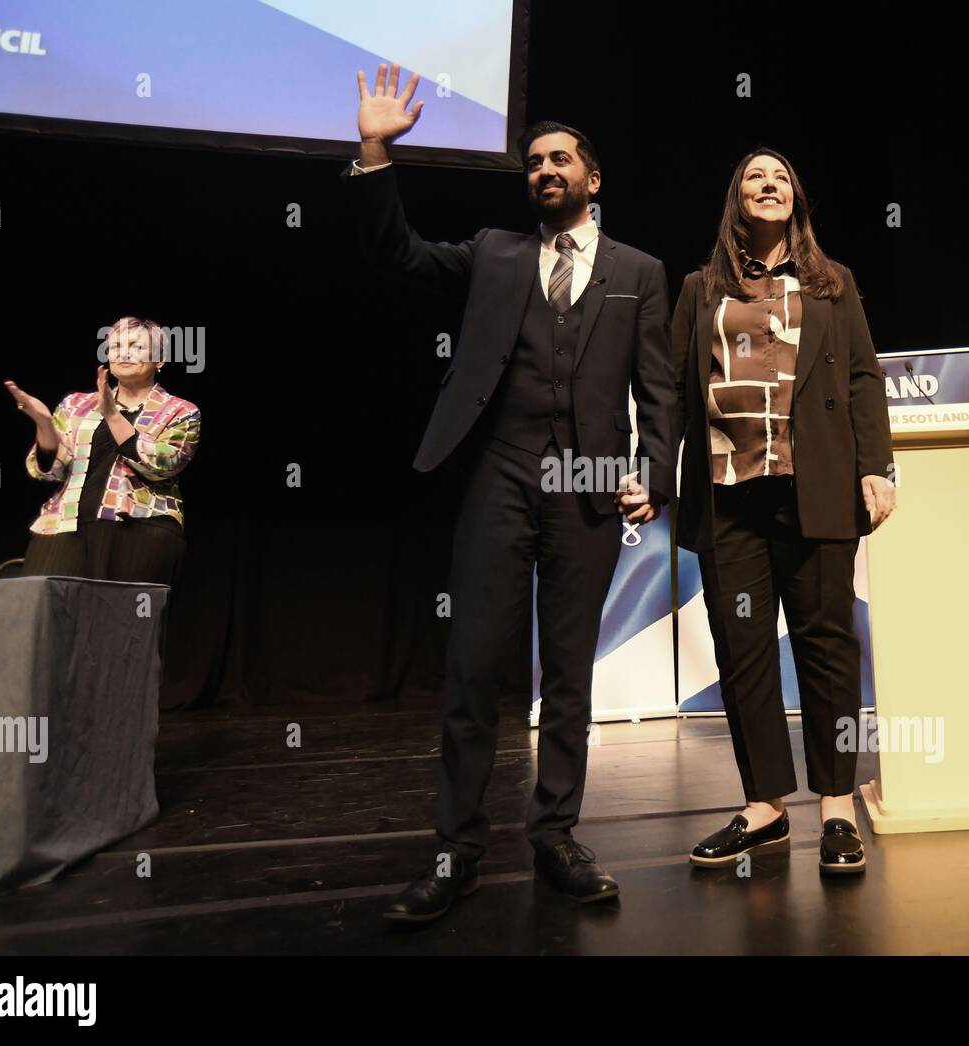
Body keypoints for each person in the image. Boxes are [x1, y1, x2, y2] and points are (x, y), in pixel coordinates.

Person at [344, 66, 674, 919]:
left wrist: (659, 469)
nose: (545, 170)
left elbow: (660, 387)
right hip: (498, 474)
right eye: (533, 162)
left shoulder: (641, 271)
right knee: (470, 668)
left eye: (560, 159)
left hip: (592, 484)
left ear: (591, 179)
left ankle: (555, 834)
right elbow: (396, 255)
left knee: (568, 674)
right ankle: (456, 850)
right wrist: (377, 151)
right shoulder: (495, 252)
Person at [653, 148, 894, 874]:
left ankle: (837, 807)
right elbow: (668, 390)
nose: (768, 185)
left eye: (781, 177)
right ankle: (764, 808)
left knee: (827, 648)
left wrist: (875, 466)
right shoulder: (699, 291)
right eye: (755, 177)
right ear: (736, 199)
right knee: (744, 652)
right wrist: (652, 474)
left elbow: (861, 378)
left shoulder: (831, 285)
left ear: (796, 200)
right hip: (729, 500)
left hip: (815, 490)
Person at [5, 316, 200, 588]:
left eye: (135, 346)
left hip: (141, 529)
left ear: (160, 360)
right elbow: (52, 471)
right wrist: (45, 424)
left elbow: (161, 466)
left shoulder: (180, 411)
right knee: (47, 619)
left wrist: (112, 415)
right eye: (116, 346)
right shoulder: (76, 405)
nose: (124, 352)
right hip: (65, 525)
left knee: (121, 625)